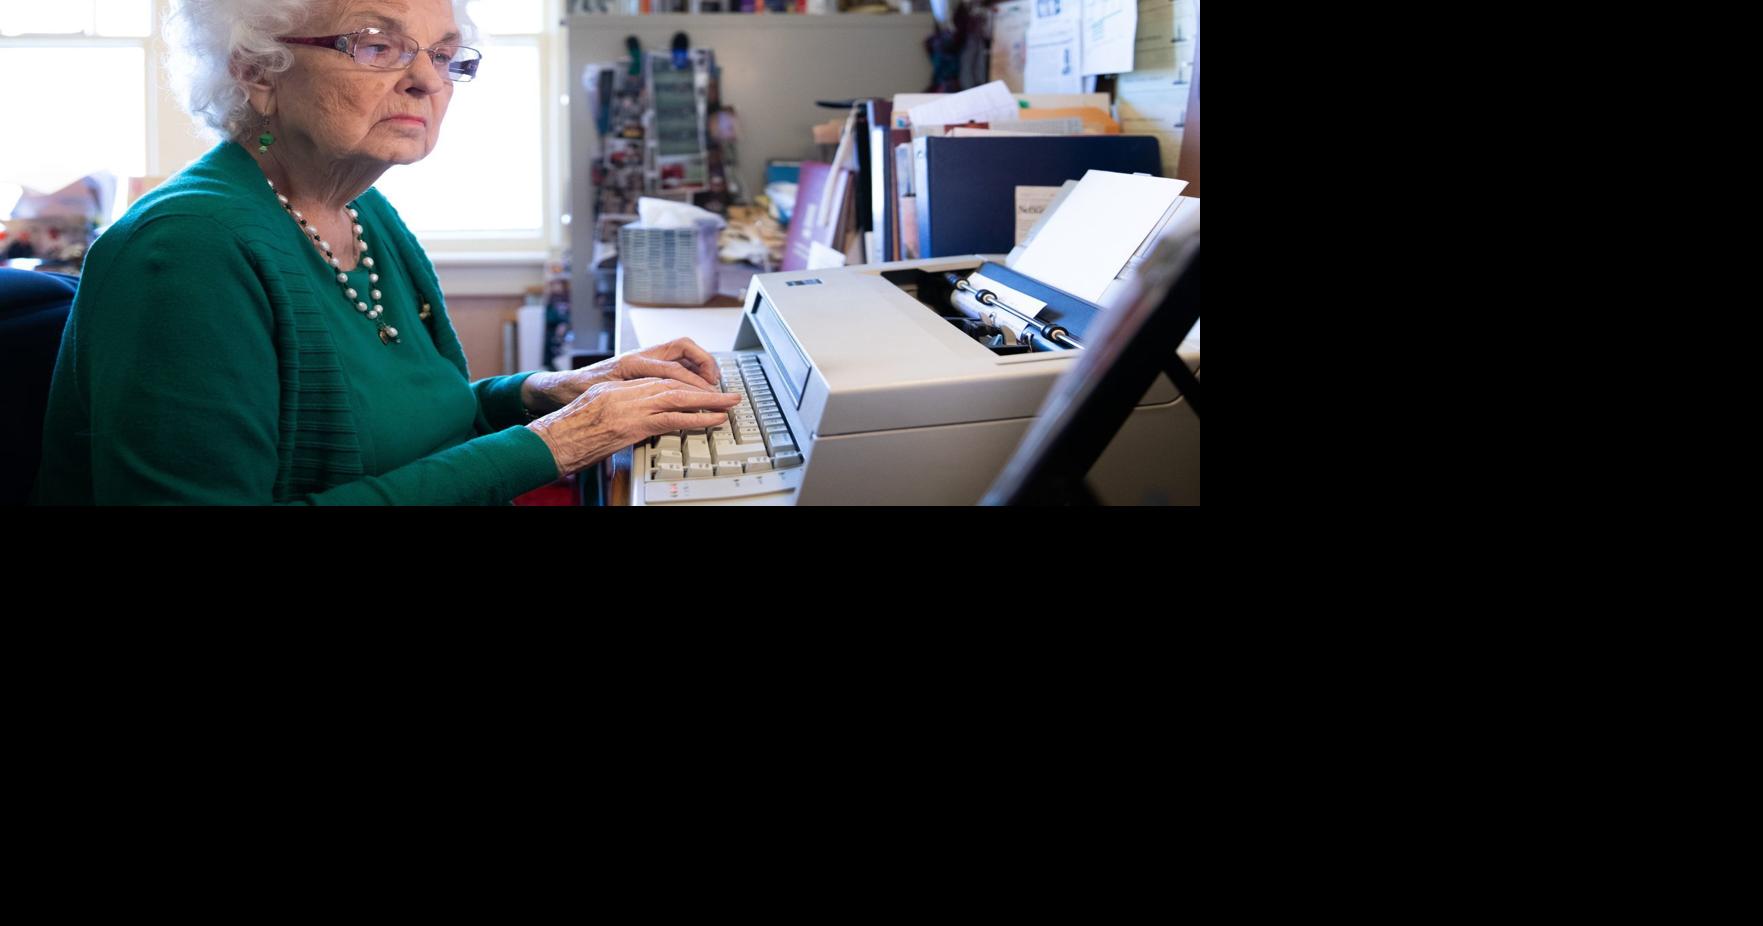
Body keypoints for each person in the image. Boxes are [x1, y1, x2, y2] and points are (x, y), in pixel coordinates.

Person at [32, 0, 739, 505]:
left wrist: (539, 394)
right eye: (376, 44)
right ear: (256, 71)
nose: (427, 81)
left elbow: (409, 420)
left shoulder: (359, 206)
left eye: (442, 54)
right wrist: (551, 443)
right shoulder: (186, 252)